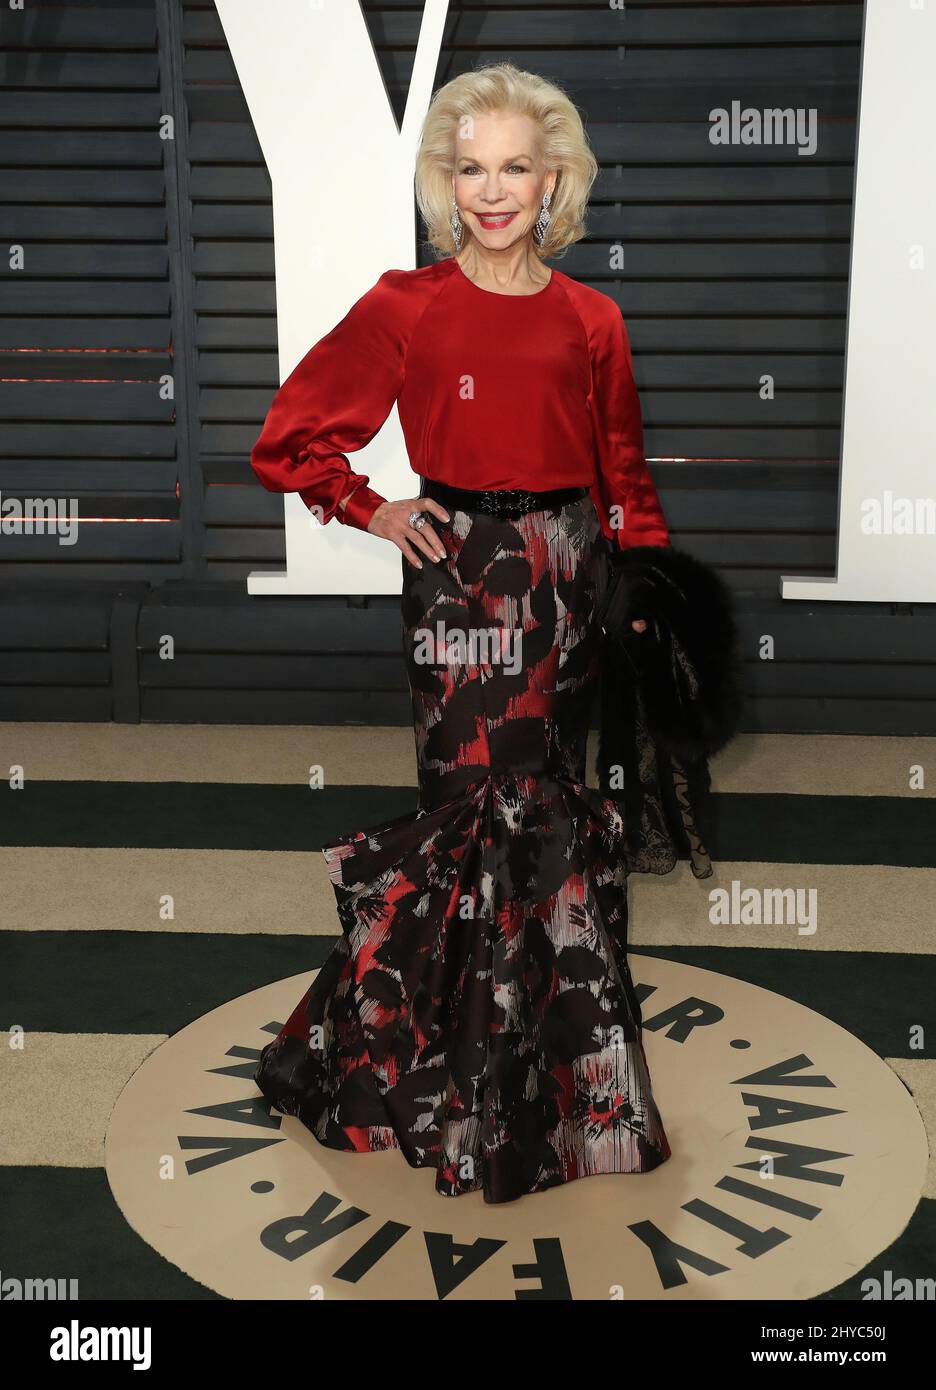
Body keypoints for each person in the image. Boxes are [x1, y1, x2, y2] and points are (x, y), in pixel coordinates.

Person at [249, 62, 676, 1204]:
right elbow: (293, 440)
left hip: (568, 585)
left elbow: (623, 476)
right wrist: (374, 505)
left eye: (515, 168)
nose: (493, 191)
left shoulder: (596, 319)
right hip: (459, 585)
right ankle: (444, 1089)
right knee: (470, 817)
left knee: (545, 820)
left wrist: (635, 593)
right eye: (469, 168)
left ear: (555, 182)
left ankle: (558, 1099)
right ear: (447, 181)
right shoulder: (408, 305)